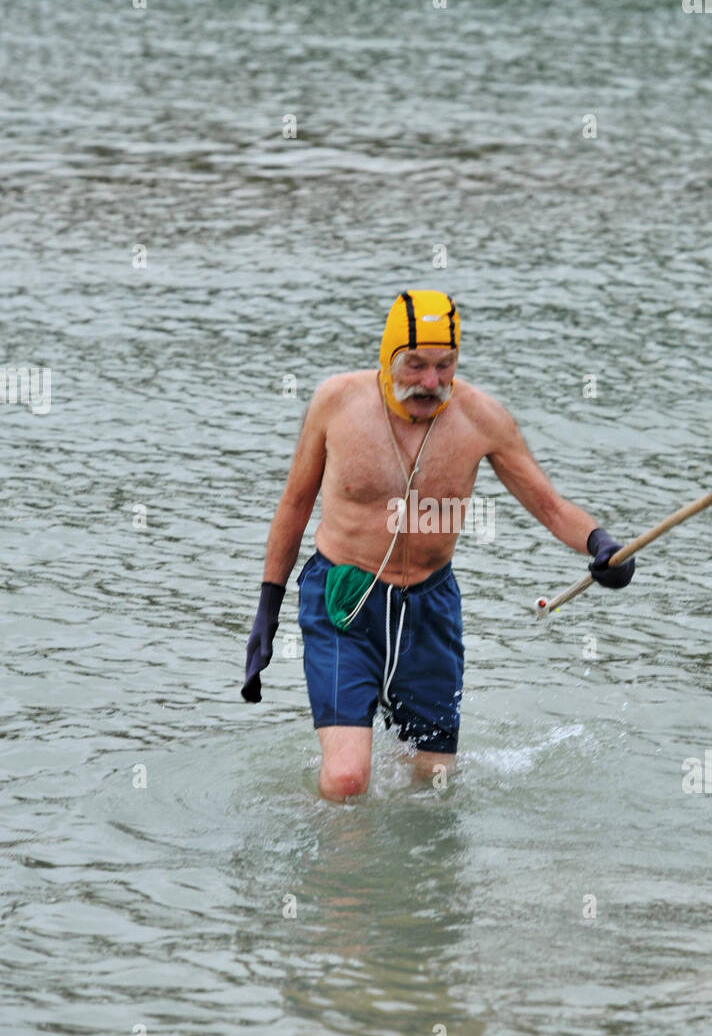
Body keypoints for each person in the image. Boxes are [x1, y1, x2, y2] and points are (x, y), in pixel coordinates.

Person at [242, 290, 634, 800]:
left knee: (433, 784)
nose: (431, 382)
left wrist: (601, 546)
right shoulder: (336, 403)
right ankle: (343, 879)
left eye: (445, 365)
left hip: (429, 605)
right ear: (388, 358)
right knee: (346, 780)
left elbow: (553, 507)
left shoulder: (481, 418)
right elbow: (294, 506)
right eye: (416, 366)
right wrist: (267, 610)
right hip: (343, 597)